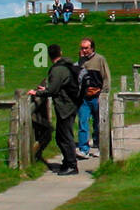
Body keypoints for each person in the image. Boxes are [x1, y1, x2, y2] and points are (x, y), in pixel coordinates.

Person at [29, 44, 80, 174]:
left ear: (49, 56)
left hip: (65, 106)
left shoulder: (57, 70)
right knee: (62, 135)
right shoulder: (67, 66)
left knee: (64, 136)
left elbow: (52, 90)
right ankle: (68, 162)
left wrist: (38, 93)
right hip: (71, 103)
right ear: (61, 52)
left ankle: (71, 165)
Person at [75, 38, 111, 159]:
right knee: (83, 122)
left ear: (92, 48)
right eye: (82, 48)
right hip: (84, 98)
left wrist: (104, 93)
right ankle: (84, 149)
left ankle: (100, 146)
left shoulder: (100, 60)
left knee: (98, 123)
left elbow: (106, 77)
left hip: (97, 96)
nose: (84, 50)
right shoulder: (80, 62)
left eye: (86, 48)